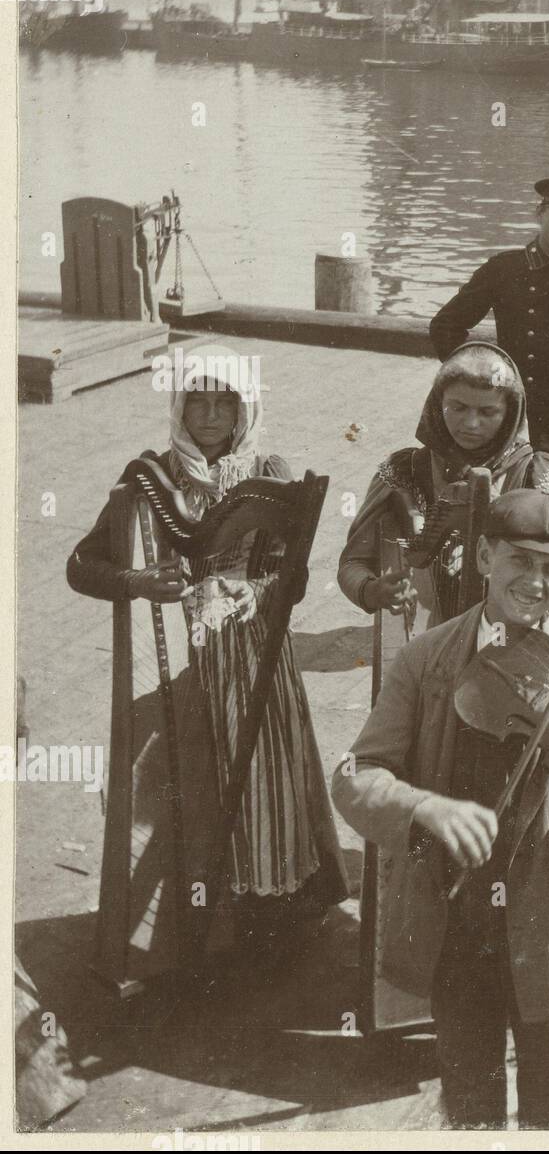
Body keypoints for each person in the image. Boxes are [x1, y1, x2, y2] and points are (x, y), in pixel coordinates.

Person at [331, 489, 549, 1128]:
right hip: (453, 912)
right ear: (485, 555)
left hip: (542, 918)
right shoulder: (426, 657)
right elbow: (356, 775)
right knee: (468, 1088)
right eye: (521, 559)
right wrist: (424, 808)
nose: (536, 580)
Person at [67, 345, 348, 973]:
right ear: (179, 404)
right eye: (199, 399)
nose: (213, 413)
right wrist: (139, 583)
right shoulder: (148, 477)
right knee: (187, 781)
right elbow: (80, 565)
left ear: (246, 406)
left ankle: (271, 917)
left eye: (227, 401)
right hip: (178, 654)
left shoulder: (271, 469)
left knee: (264, 776)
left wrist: (252, 590)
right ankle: (193, 923)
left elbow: (291, 578)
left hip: (252, 648)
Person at [338, 343, 549, 631]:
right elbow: (352, 564)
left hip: (512, 640)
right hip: (425, 637)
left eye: (488, 412)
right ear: (437, 404)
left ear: (510, 414)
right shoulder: (403, 471)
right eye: (458, 407)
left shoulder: (536, 477)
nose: (471, 423)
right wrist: (371, 590)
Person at [428, 178, 549, 475]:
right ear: (540, 214)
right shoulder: (503, 268)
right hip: (512, 418)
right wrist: (474, 380)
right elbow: (445, 325)